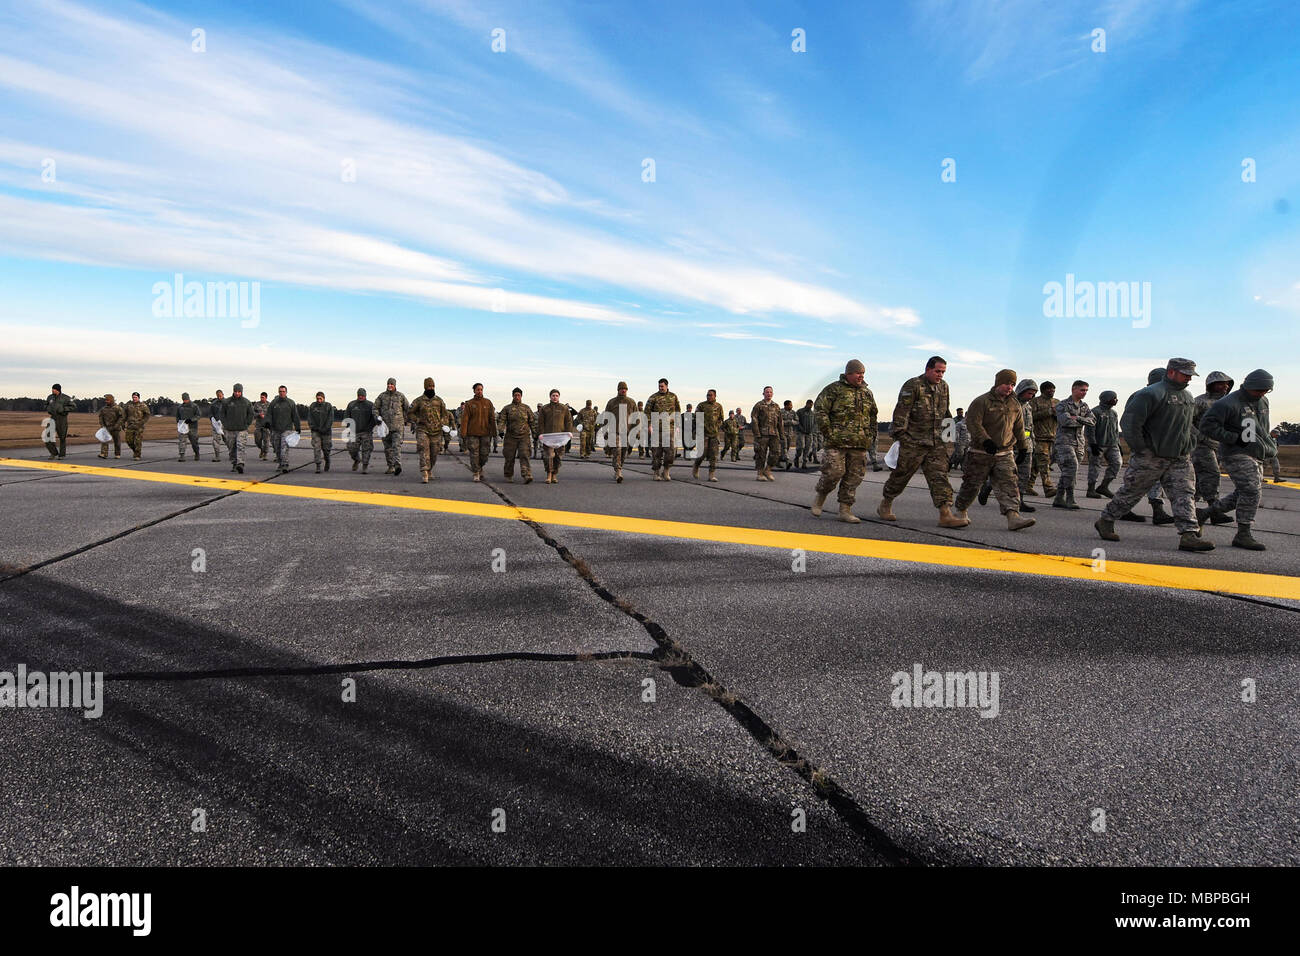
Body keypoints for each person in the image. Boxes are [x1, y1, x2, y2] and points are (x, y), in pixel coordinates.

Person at [1095, 359, 1212, 552]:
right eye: (1185, 373)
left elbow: (1188, 424)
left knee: (1184, 494)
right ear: (1171, 372)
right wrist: (1141, 449)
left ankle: (1189, 534)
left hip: (1180, 457)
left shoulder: (1187, 396)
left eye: (1191, 374)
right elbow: (1130, 424)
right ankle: (1106, 520)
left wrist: (1190, 441)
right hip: (1151, 456)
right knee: (1133, 491)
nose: (1189, 378)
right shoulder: (1150, 394)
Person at [878, 355, 968, 528]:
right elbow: (901, 412)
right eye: (937, 371)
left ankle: (945, 514)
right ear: (928, 369)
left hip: (935, 443)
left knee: (939, 477)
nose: (940, 375)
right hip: (913, 442)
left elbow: (946, 411)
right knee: (900, 476)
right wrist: (901, 437)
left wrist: (948, 436)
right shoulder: (913, 385)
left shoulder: (944, 387)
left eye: (943, 372)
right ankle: (885, 503)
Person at [1197, 369, 1277, 550]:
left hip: (1257, 453)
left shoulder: (1263, 401)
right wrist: (1233, 438)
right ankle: (1243, 534)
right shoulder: (1227, 404)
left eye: (1266, 390)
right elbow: (1206, 426)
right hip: (1235, 453)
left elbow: (1263, 427)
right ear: (1249, 386)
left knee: (1243, 493)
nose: (1262, 393)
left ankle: (1204, 513)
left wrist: (1268, 446)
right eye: (1259, 390)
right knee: (1251, 491)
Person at [952, 370, 1035, 531]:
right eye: (1006, 384)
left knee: (1009, 485)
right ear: (998, 383)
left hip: (1004, 453)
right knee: (972, 484)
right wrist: (986, 440)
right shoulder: (981, 402)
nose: (1009, 387)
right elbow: (973, 424)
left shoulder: (1014, 404)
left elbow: (1019, 427)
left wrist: (1023, 446)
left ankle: (1013, 517)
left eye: (1012, 384)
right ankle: (961, 512)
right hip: (980, 453)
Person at [810, 359, 878, 523]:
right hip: (837, 442)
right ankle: (821, 496)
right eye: (858, 373)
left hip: (859, 443)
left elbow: (873, 415)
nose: (861, 376)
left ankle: (845, 510)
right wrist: (829, 432)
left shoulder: (867, 393)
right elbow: (820, 410)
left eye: (863, 373)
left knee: (854, 477)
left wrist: (870, 435)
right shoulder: (833, 389)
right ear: (848, 373)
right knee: (833, 472)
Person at [1051, 380, 1094, 510]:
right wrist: (1081, 421)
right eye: (1082, 390)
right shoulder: (1062, 405)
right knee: (1072, 468)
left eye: (1086, 390)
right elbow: (1065, 421)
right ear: (1073, 389)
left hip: (1079, 443)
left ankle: (1059, 497)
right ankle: (1070, 497)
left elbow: (1092, 421)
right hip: (1064, 442)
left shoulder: (1085, 406)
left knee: (1069, 472)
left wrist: (1078, 418)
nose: (1084, 393)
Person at [410, 377, 449, 484]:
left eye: (432, 386)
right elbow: (410, 413)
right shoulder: (418, 401)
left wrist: (443, 423)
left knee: (434, 452)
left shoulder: (439, 401)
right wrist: (417, 420)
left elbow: (445, 414)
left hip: (436, 431)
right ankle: (424, 472)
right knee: (423, 450)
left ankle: (430, 469)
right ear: (425, 387)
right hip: (423, 430)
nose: (431, 388)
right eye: (429, 386)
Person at [1085, 390, 1121, 498]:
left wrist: (1118, 443)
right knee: (1095, 467)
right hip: (1098, 445)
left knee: (1117, 463)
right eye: (1113, 398)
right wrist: (1093, 444)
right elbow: (1089, 429)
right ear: (1106, 398)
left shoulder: (1114, 413)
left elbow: (1115, 429)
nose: (1115, 400)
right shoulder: (1095, 412)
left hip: (1112, 444)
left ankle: (1104, 486)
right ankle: (1090, 490)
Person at [645, 378, 681, 480]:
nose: (660, 388)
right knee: (656, 452)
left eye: (662, 386)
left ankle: (666, 472)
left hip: (670, 428)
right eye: (659, 386)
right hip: (657, 429)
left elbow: (678, 411)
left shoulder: (673, 397)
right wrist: (649, 424)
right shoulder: (653, 397)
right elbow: (647, 412)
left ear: (666, 386)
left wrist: (678, 425)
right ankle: (656, 473)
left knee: (670, 452)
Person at [498, 387, 536, 483]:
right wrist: (501, 430)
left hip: (524, 437)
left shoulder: (526, 408)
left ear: (521, 396)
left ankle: (527, 475)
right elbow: (501, 420)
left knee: (525, 455)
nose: (517, 397)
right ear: (512, 396)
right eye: (515, 395)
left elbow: (532, 421)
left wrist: (535, 433)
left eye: (518, 395)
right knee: (509, 457)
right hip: (511, 437)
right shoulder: (507, 408)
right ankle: (508, 475)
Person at [603, 382, 638, 483]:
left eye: (625, 389)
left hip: (627, 432)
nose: (623, 390)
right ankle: (618, 471)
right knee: (617, 450)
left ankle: (619, 468)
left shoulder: (631, 402)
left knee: (623, 452)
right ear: (618, 389)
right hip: (615, 431)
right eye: (622, 389)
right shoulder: (612, 402)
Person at [374, 377, 410, 476]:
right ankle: (391, 466)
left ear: (395, 385)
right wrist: (377, 417)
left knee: (396, 446)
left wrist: (409, 420)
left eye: (392, 384)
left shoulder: (400, 396)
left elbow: (408, 409)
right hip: (385, 427)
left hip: (398, 427)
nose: (390, 385)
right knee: (387, 448)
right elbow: (375, 408)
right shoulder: (381, 396)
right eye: (388, 384)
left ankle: (397, 465)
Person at [537, 389, 574, 483]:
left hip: (560, 437)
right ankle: (549, 474)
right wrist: (540, 433)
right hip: (548, 437)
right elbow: (540, 422)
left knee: (558, 456)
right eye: (553, 395)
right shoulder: (544, 408)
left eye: (557, 395)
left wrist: (569, 432)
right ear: (550, 396)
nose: (555, 397)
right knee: (549, 455)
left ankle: (554, 475)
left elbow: (568, 421)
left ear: (559, 397)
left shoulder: (564, 408)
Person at [461, 382, 496, 482]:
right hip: (473, 433)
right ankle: (476, 472)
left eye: (481, 389)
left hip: (485, 433)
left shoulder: (488, 402)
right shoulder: (469, 404)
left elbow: (492, 418)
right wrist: (463, 433)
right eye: (478, 389)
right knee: (474, 454)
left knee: (484, 454)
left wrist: (494, 432)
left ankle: (480, 467)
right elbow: (465, 419)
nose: (479, 391)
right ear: (474, 391)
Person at [1029, 381, 1059, 496]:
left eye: (1053, 389)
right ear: (1043, 390)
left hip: (1053, 437)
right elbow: (1030, 417)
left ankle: (1028, 485)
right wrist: (1049, 412)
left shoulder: (1057, 402)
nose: (1052, 391)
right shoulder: (1035, 402)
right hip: (1039, 437)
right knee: (1044, 463)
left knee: (1037, 464)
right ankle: (1048, 488)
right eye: (1049, 389)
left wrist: (1058, 414)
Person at [750, 386, 784, 481]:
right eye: (767, 392)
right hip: (762, 434)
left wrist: (782, 434)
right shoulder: (759, 405)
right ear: (763, 394)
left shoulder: (776, 406)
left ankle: (768, 470)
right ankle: (760, 474)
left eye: (770, 392)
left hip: (774, 434)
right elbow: (754, 419)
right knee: (761, 454)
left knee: (776, 453)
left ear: (772, 394)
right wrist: (757, 434)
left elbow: (780, 421)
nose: (769, 394)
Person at [221, 383, 254, 474]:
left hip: (242, 429)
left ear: (241, 392)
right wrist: (225, 424)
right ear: (233, 391)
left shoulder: (246, 402)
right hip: (230, 429)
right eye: (236, 391)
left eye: (239, 392)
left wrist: (247, 423)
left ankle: (240, 463)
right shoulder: (227, 402)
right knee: (232, 448)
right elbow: (222, 414)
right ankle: (234, 463)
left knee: (240, 446)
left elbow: (251, 414)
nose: (237, 393)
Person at [266, 385, 300, 474]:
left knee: (284, 447)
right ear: (278, 392)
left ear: (286, 392)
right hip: (276, 429)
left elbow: (295, 416)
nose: (282, 393)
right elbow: (269, 414)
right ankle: (280, 463)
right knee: (277, 447)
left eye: (283, 391)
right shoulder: (274, 403)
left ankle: (285, 464)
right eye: (280, 391)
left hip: (287, 429)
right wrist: (267, 423)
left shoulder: (291, 403)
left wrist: (298, 427)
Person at [693, 389, 725, 481]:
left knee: (714, 455)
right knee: (702, 454)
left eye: (710, 395)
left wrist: (717, 426)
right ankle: (696, 466)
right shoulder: (701, 405)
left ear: (715, 396)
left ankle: (711, 475)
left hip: (714, 434)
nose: (708, 397)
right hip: (703, 434)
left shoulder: (718, 406)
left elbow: (721, 418)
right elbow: (696, 417)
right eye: (707, 395)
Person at [345, 388, 378, 473]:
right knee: (351, 449)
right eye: (359, 395)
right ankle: (356, 460)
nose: (360, 397)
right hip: (354, 432)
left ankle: (365, 466)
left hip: (366, 432)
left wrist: (369, 427)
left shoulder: (370, 405)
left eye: (362, 396)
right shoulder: (351, 404)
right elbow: (347, 417)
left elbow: (374, 418)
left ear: (365, 396)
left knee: (366, 450)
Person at [44, 384, 75, 459]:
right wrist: (48, 408)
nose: (52, 390)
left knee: (62, 437)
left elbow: (73, 406)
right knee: (47, 437)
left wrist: (64, 409)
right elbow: (46, 404)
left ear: (58, 390)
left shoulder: (66, 398)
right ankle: (53, 453)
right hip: (53, 418)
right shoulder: (50, 397)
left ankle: (62, 455)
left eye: (54, 389)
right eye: (52, 389)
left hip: (62, 419)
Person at [308, 390, 335, 473]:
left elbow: (330, 419)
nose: (319, 400)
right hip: (316, 431)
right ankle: (318, 465)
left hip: (326, 432)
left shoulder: (328, 406)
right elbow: (310, 418)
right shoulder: (313, 406)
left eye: (320, 399)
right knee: (317, 448)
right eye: (317, 399)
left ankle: (327, 460)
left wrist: (325, 428)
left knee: (326, 449)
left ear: (323, 398)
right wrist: (313, 427)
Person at [122, 392, 151, 460]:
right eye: (133, 397)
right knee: (129, 440)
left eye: (135, 397)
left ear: (138, 398)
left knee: (137, 441)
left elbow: (147, 415)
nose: (134, 398)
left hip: (139, 426)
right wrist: (123, 423)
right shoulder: (128, 406)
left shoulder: (143, 406)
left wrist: (142, 422)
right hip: (130, 426)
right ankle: (135, 451)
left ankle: (137, 455)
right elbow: (124, 416)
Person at [97, 394, 124, 459]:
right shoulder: (103, 409)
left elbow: (122, 417)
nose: (106, 401)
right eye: (106, 400)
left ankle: (117, 454)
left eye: (108, 400)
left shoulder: (118, 408)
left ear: (111, 400)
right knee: (104, 441)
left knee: (117, 441)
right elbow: (101, 417)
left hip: (116, 428)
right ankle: (104, 454)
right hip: (106, 427)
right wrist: (102, 425)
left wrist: (117, 425)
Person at [176, 392, 200, 461]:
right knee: (182, 441)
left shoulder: (194, 406)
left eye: (186, 399)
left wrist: (191, 420)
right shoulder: (180, 407)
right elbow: (177, 416)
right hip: (183, 427)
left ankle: (197, 453)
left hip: (192, 427)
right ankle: (182, 455)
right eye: (183, 399)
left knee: (194, 442)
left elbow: (198, 415)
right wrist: (179, 422)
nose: (185, 401)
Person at [795, 400, 815, 469]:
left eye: (811, 405)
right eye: (809, 405)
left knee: (807, 448)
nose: (810, 406)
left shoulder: (812, 413)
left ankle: (804, 463)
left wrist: (812, 430)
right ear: (806, 404)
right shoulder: (800, 411)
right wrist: (800, 428)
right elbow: (796, 421)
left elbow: (815, 423)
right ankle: (797, 457)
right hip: (801, 432)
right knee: (801, 447)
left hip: (809, 433)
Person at [252, 391, 271, 460]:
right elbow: (252, 413)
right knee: (257, 440)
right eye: (261, 397)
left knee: (266, 441)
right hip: (258, 425)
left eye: (263, 397)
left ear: (266, 398)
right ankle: (262, 449)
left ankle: (265, 454)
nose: (261, 398)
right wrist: (258, 415)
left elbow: (272, 414)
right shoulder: (257, 404)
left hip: (266, 426)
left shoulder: (269, 405)